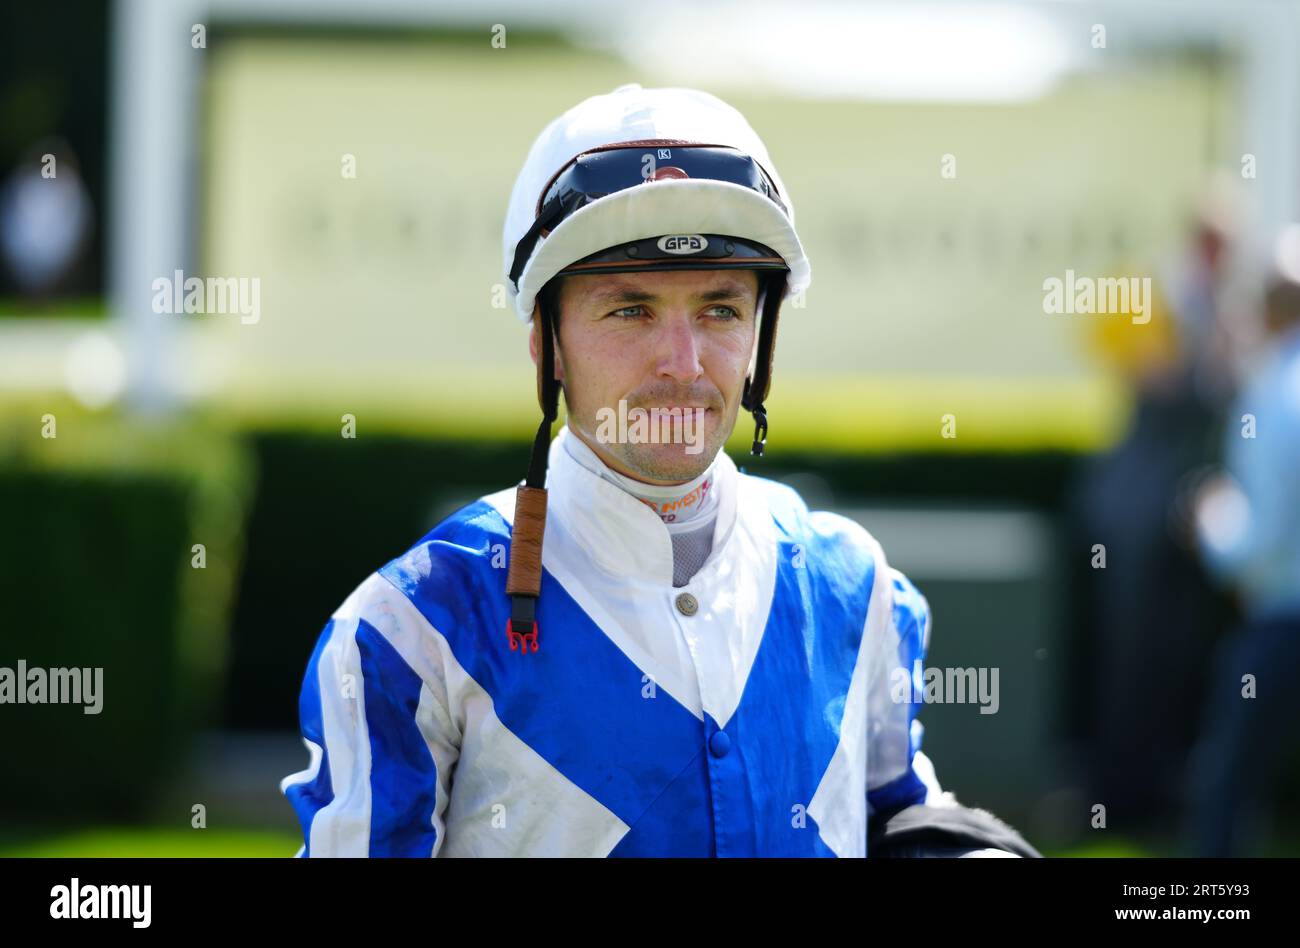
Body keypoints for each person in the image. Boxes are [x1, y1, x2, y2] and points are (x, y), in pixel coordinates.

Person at [280, 84, 1038, 858]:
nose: (683, 364)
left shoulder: (854, 584)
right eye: (630, 310)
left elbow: (896, 816)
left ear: (760, 340)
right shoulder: (411, 628)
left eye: (720, 309)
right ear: (546, 343)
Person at [1185, 224, 1300, 856]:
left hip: (1282, 624)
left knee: (1225, 796)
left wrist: (1210, 520)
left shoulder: (1274, 393)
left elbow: (1258, 541)